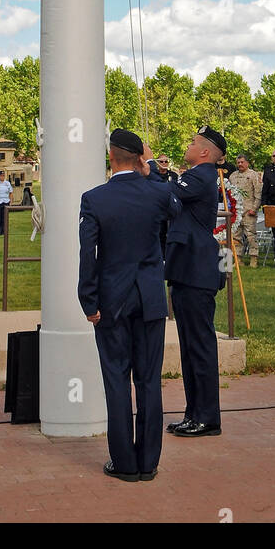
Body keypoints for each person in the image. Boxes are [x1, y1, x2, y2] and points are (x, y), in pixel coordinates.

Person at [79, 127, 180, 481]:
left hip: (112, 299)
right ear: (139, 158)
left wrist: (87, 300)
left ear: (110, 157)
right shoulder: (158, 193)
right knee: (149, 380)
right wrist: (151, 168)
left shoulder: (94, 199)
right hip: (149, 297)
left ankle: (124, 462)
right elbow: (177, 208)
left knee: (117, 379)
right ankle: (148, 461)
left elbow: (88, 255)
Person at [161, 125, 227, 438]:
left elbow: (169, 191)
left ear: (204, 151)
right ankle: (194, 413)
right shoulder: (197, 174)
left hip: (196, 271)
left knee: (199, 346)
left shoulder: (202, 175)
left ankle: (207, 417)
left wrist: (149, 166)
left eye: (192, 142)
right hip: (186, 270)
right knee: (190, 347)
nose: (187, 146)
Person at [228, 154, 262, 267]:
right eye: (238, 162)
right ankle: (238, 259)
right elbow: (229, 193)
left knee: (251, 235)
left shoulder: (253, 175)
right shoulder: (233, 176)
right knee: (236, 236)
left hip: (249, 211)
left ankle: (254, 258)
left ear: (247, 163)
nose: (240, 164)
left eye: (242, 162)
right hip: (236, 211)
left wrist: (254, 208)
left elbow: (258, 194)